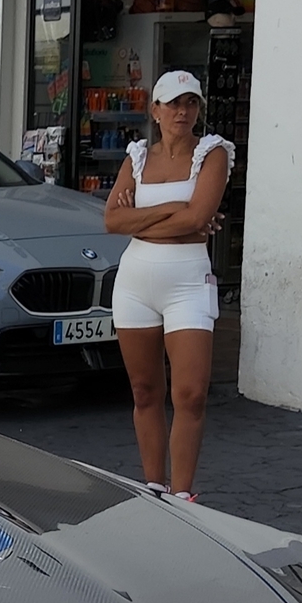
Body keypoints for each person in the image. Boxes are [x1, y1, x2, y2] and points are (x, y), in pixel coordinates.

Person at [101, 71, 233, 499]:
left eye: (191, 103)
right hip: (136, 282)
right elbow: (111, 220)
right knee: (144, 390)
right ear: (155, 110)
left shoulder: (212, 153)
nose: (183, 111)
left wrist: (142, 221)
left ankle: (184, 493)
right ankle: (154, 485)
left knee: (191, 393)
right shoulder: (137, 158)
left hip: (189, 281)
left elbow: (198, 219)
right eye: (174, 103)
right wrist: (175, 210)